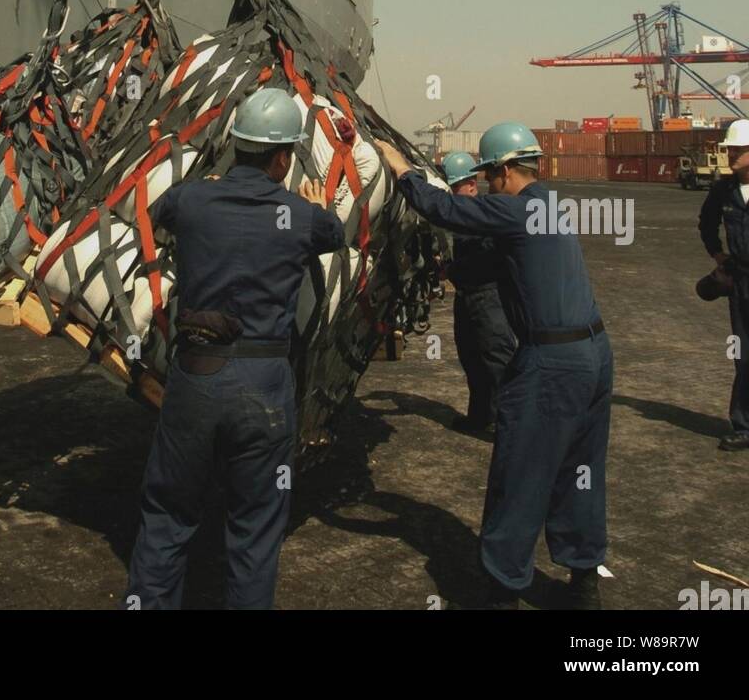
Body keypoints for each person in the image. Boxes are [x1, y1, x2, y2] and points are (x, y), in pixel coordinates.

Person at [376, 122, 612, 611]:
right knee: (580, 469)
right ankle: (583, 580)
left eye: (488, 176)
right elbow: (501, 263)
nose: (486, 183)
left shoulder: (514, 208)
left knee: (520, 473)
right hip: (594, 355)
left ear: (505, 170)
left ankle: (503, 589)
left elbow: (444, 209)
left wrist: (402, 171)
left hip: (551, 363)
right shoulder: (551, 206)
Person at [126, 87, 345, 610]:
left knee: (168, 515)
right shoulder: (298, 215)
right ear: (283, 157)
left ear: (235, 145)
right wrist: (313, 204)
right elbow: (336, 233)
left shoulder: (193, 198)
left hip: (196, 376)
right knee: (254, 529)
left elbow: (155, 213)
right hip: (264, 389)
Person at [439, 151, 516, 435]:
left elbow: (471, 242)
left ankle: (505, 425)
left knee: (497, 362)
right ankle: (480, 416)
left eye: (453, 188)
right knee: (471, 359)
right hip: (467, 298)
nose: (450, 196)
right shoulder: (463, 213)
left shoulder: (485, 212)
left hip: (490, 299)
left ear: (471, 184)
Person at [697, 118, 749, 451]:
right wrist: (718, 255)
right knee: (744, 355)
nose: (729, 154)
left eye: (736, 149)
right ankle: (743, 425)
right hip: (741, 282)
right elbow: (706, 224)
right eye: (729, 148)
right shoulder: (722, 190)